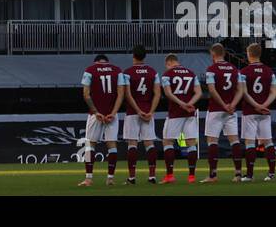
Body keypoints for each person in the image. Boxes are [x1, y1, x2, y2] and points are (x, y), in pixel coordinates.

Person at [79, 53, 123, 187]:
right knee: (112, 145)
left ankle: (88, 179)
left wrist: (96, 112)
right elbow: (121, 94)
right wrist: (113, 113)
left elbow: (86, 95)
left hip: (95, 115)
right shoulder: (117, 71)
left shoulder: (90, 70)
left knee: (90, 145)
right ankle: (110, 178)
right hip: (112, 115)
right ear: (107, 62)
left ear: (95, 62)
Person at [202, 43, 244, 183]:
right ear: (224, 54)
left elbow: (212, 90)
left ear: (213, 54)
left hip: (216, 109)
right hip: (231, 111)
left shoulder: (211, 69)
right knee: (235, 141)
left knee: (212, 141)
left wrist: (223, 105)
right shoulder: (234, 69)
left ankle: (213, 175)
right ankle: (238, 174)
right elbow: (240, 90)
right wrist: (232, 105)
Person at [238, 43, 276, 181]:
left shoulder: (243, 72)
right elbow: (274, 92)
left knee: (250, 143)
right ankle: (271, 174)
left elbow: (243, 92)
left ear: (249, 54)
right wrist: (264, 105)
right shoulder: (269, 71)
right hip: (264, 111)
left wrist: (256, 105)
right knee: (268, 142)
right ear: (260, 54)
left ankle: (249, 175)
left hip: (250, 111)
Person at [159, 53, 201, 184]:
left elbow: (168, 93)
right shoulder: (191, 73)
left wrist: (182, 104)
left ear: (169, 63)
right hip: (189, 113)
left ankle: (170, 175)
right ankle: (192, 176)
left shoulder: (167, 75)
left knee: (168, 142)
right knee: (191, 143)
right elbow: (199, 92)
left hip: (175, 113)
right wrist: (190, 103)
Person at [121, 45, 160, 184]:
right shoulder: (153, 72)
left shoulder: (127, 72)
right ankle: (152, 176)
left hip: (133, 112)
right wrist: (151, 111)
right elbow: (157, 94)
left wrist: (138, 110)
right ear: (144, 57)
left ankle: (132, 177)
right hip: (148, 111)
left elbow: (128, 94)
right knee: (149, 144)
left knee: (132, 144)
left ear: (133, 56)